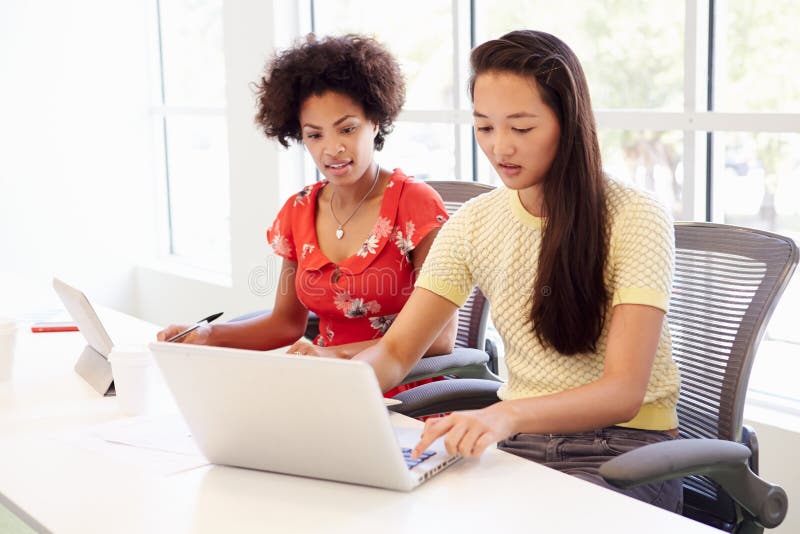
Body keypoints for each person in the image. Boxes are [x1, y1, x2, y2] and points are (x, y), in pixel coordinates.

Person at [351, 30, 682, 512]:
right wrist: (337, 395)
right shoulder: (474, 222)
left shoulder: (635, 217)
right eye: (485, 127)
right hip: (523, 449)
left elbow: (623, 392)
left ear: (567, 123)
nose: (500, 147)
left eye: (521, 129)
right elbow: (398, 351)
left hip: (628, 453)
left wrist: (506, 415)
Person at [157, 34, 457, 396]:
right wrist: (207, 335)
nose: (332, 149)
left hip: (402, 393)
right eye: (315, 135)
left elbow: (440, 340)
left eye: (347, 128)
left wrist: (333, 355)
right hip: (321, 386)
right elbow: (285, 325)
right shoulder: (298, 211)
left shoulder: (416, 205)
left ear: (375, 121)